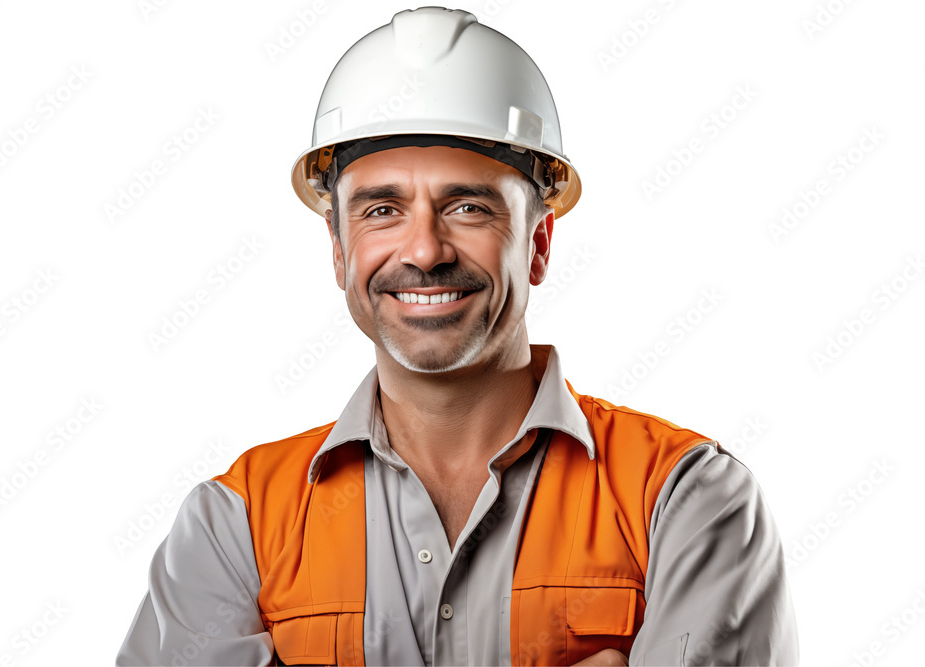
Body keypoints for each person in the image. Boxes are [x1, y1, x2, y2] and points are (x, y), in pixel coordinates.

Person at [117, 7, 799, 666]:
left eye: (467, 206)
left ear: (537, 241)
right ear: (337, 247)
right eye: (382, 209)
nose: (423, 249)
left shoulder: (684, 501)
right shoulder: (236, 527)